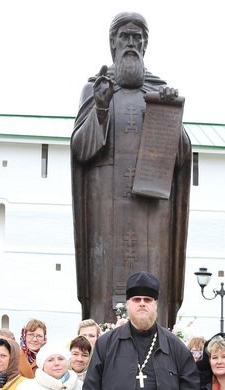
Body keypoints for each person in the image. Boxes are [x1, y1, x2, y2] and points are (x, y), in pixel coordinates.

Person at [71, 12, 192, 327]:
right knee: (105, 280)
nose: (131, 43)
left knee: (155, 272)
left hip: (153, 212)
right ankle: (102, 335)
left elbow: (181, 156)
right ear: (113, 42)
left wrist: (170, 114)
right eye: (124, 37)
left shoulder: (158, 91)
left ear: (145, 45)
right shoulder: (95, 88)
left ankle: (159, 334)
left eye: (137, 38)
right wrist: (100, 107)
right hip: (105, 207)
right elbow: (81, 149)